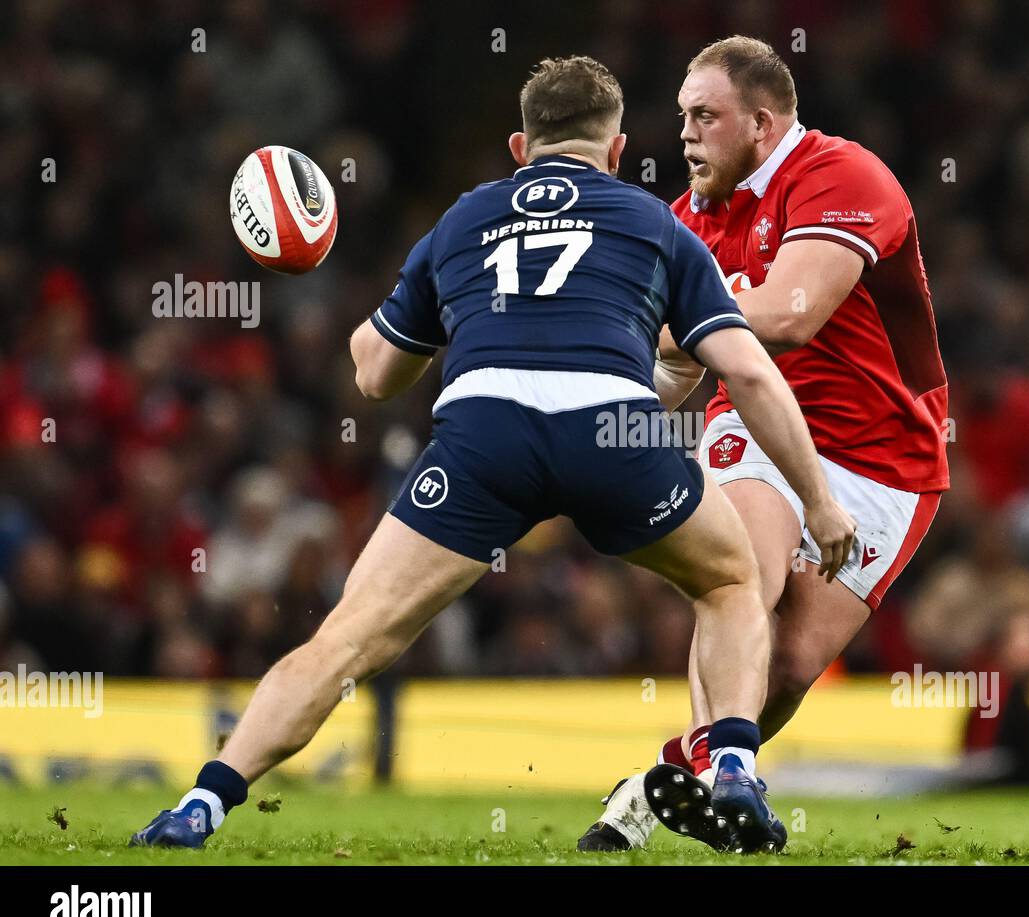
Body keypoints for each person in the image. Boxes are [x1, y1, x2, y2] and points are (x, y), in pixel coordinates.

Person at [130, 55, 854, 854]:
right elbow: (748, 367)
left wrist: (378, 303)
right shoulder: (657, 223)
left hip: (484, 433)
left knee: (346, 641)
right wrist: (818, 500)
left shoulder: (463, 221)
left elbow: (373, 372)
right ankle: (735, 768)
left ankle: (199, 804)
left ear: (520, 147)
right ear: (616, 154)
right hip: (609, 423)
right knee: (728, 578)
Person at [580, 36, 948, 851]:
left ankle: (658, 784)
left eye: (703, 116)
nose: (683, 134)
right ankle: (738, 775)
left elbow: (788, 315)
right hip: (759, 424)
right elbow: (676, 372)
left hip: (889, 457)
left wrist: (672, 330)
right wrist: (608, 407)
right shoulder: (685, 222)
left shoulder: (843, 176)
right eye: (680, 116)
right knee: (743, 567)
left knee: (785, 667)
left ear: (761, 120)